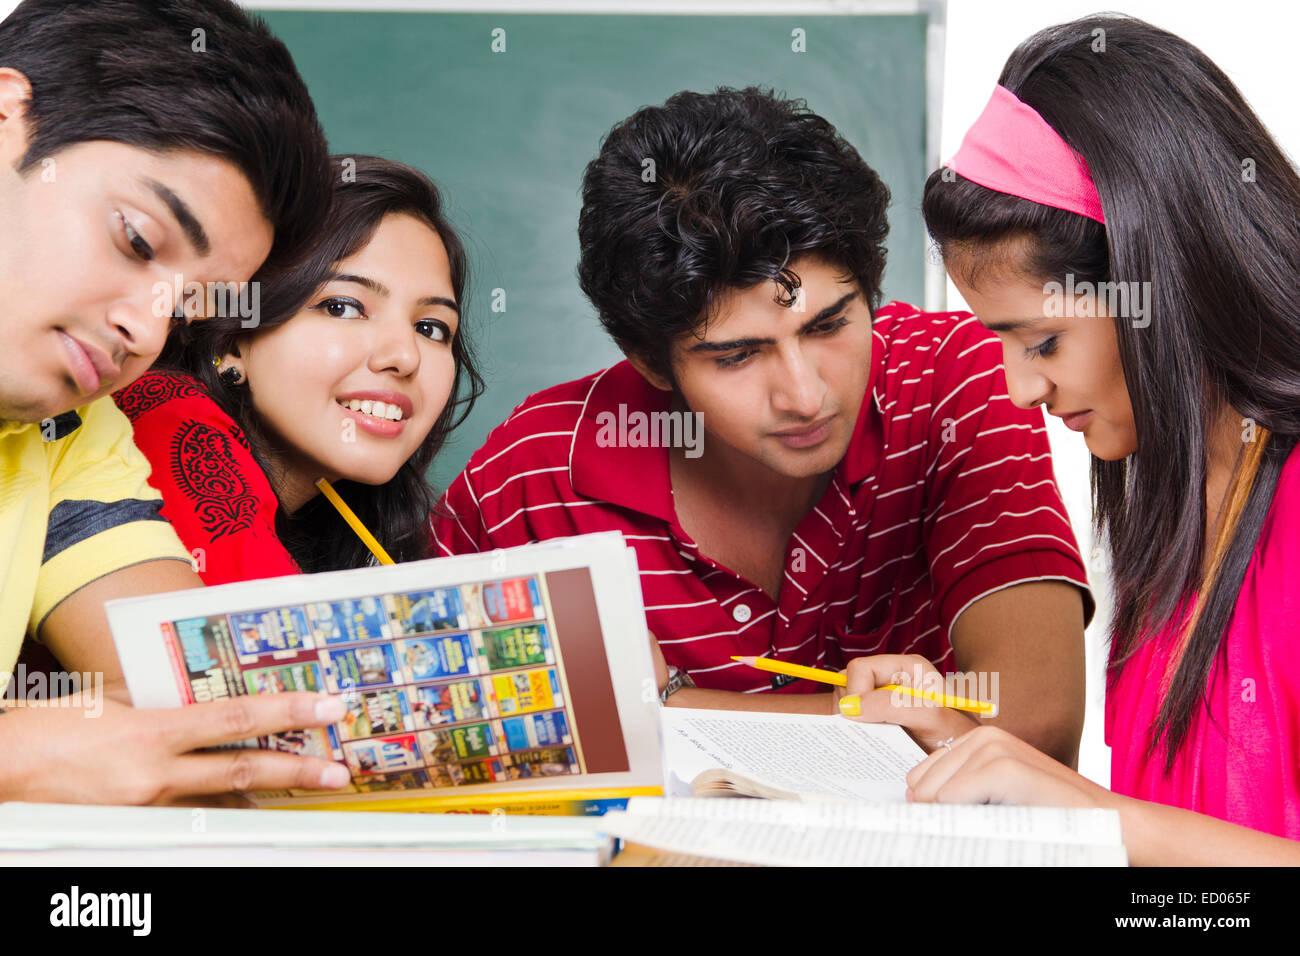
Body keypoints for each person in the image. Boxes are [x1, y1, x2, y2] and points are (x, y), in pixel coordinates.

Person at [434, 86, 1094, 765]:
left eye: (830, 324)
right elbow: (434, 741)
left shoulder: (952, 377)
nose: (804, 396)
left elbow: (1033, 728)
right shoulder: (534, 475)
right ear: (652, 364)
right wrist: (879, 723)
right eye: (738, 355)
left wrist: (671, 707)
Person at [844, 15, 1300, 864]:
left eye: (1043, 342)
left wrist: (1087, 809)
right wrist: (965, 748)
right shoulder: (1176, 520)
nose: (1020, 389)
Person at [0, 0, 350, 804]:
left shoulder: (72, 431)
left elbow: (190, 698)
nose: (145, 332)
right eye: (136, 239)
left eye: (189, 306)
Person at [114, 155, 482, 582]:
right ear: (233, 338)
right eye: (343, 307)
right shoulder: (162, 412)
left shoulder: (344, 529)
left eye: (431, 328)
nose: (405, 356)